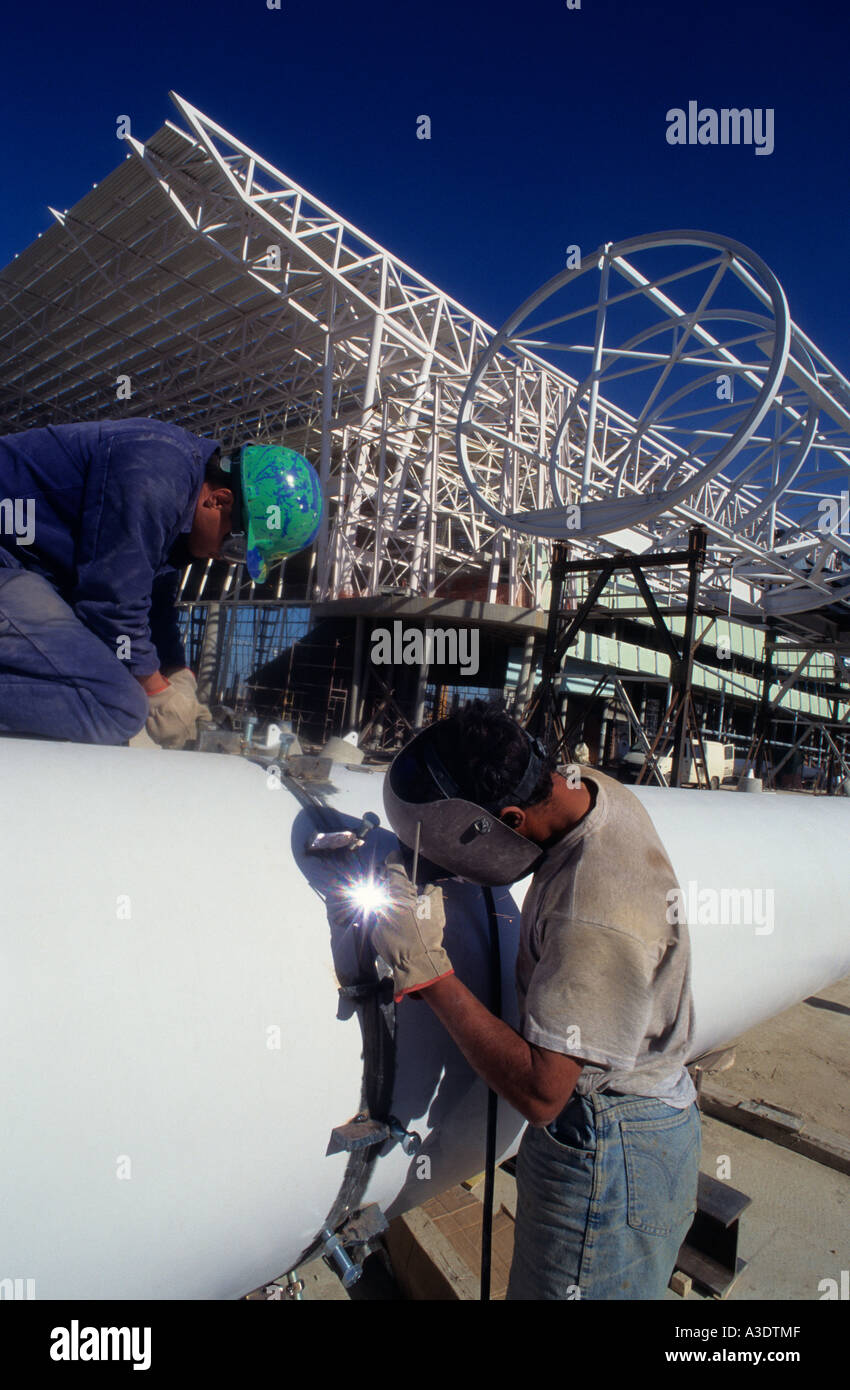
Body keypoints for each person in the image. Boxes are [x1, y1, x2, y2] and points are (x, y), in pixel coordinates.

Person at [374, 701, 700, 1301]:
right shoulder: (585, 789)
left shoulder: (593, 912)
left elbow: (544, 1093)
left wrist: (427, 973)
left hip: (610, 1153)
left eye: (451, 855)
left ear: (511, 817)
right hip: (636, 1133)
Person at [0, 419, 311, 748]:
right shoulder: (156, 475)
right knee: (116, 705)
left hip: (15, 568)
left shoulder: (180, 507)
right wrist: (157, 692)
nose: (223, 558)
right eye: (234, 548)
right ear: (219, 500)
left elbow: (154, 604)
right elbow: (111, 602)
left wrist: (176, 672)